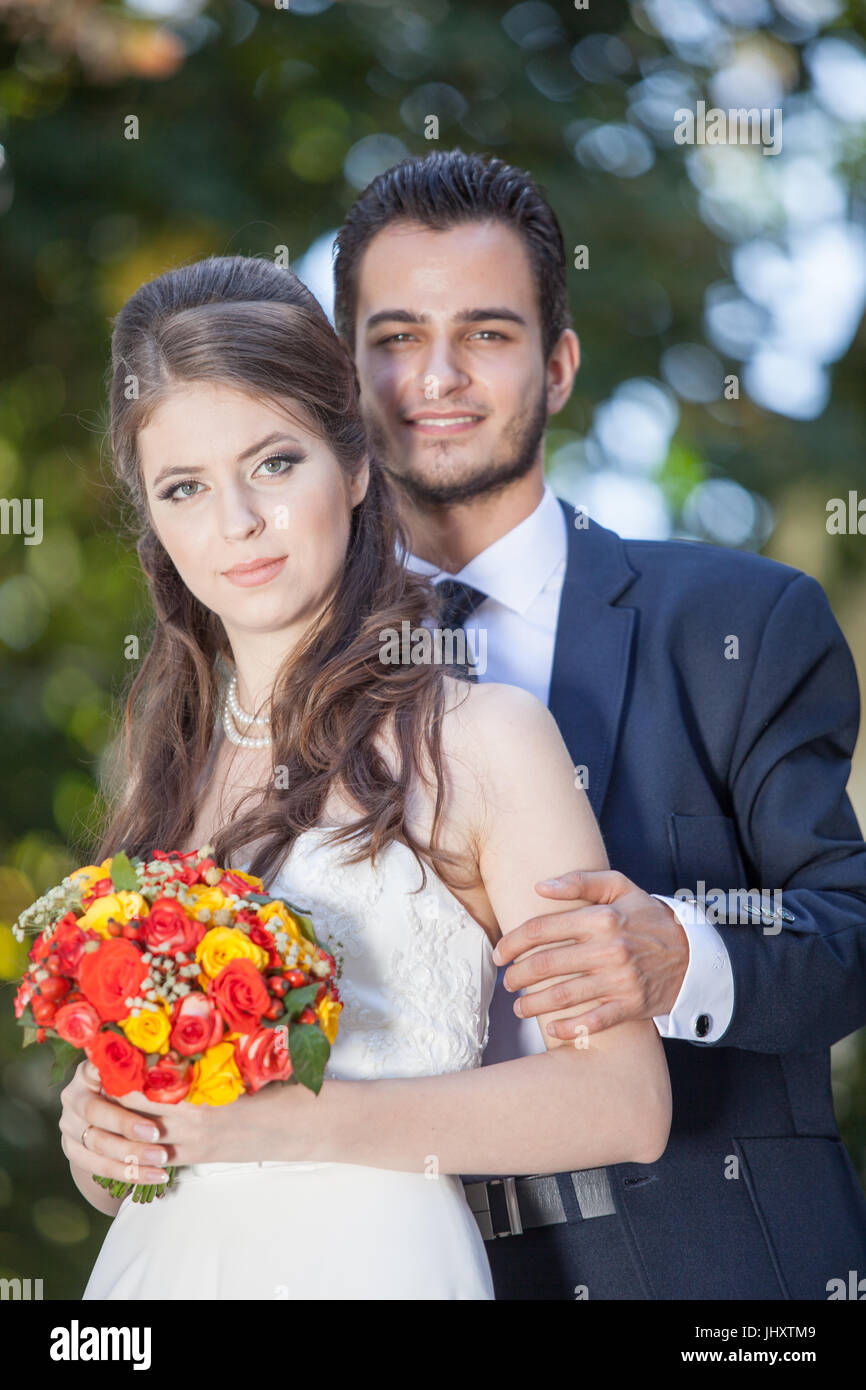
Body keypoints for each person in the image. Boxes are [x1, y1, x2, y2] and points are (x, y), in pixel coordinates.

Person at [60, 255, 671, 1301]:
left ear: (350, 466)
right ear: (153, 521)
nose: (236, 523)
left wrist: (308, 1121)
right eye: (185, 488)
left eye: (273, 463)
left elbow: (621, 1100)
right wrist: (101, 1137)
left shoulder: (482, 738)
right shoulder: (160, 771)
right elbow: (148, 1169)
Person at [324, 148, 866, 1300]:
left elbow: (848, 930)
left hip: (715, 1274)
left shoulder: (740, 620)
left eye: (487, 332)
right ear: (341, 371)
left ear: (558, 364)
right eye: (394, 335)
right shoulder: (289, 676)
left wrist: (682, 953)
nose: (437, 375)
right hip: (402, 1262)